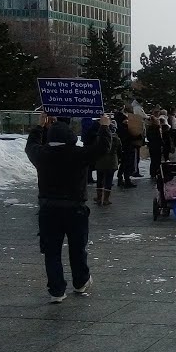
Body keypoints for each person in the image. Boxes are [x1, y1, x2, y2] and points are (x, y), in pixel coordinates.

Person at [26, 114, 112, 303]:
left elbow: (30, 145)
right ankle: (80, 281)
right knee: (77, 247)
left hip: (48, 209)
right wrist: (104, 127)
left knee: (51, 251)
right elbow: (102, 148)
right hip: (75, 209)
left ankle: (56, 290)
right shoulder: (78, 154)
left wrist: (39, 127)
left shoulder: (42, 155)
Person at [93, 121, 123, 206]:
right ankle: (106, 199)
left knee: (100, 179)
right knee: (109, 180)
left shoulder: (99, 138)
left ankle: (99, 198)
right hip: (112, 162)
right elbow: (120, 151)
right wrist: (119, 159)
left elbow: (95, 148)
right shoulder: (116, 139)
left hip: (100, 161)